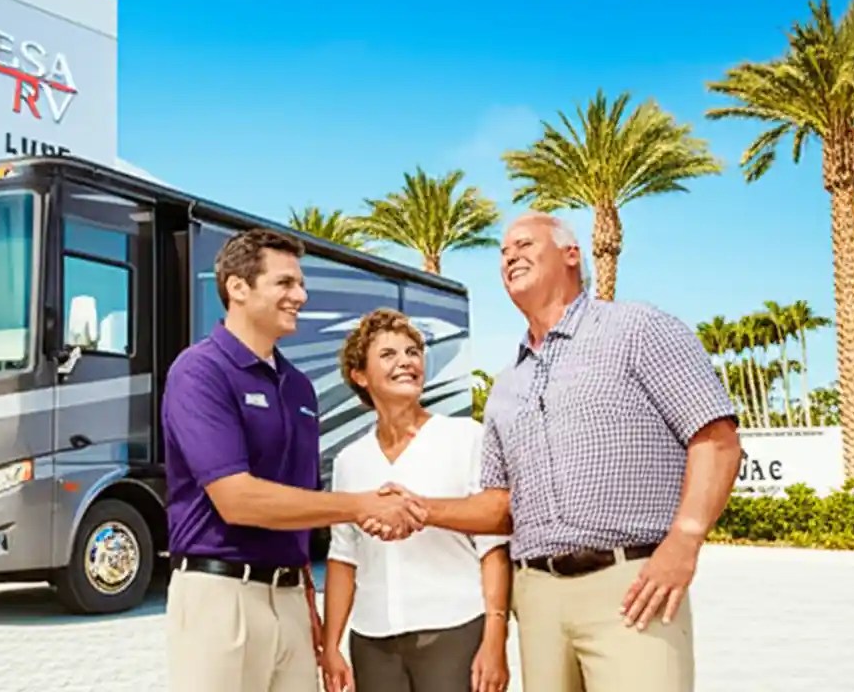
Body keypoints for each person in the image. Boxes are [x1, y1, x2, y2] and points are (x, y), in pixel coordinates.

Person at [381, 213, 743, 692]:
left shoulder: (637, 329)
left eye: (524, 244)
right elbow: (501, 505)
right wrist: (420, 509)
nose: (510, 256)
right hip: (537, 598)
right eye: (503, 253)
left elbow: (716, 437)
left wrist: (685, 540)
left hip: (631, 586)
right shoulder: (507, 386)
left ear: (571, 254)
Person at [161, 227, 428, 692]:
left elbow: (299, 507)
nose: (300, 296)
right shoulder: (199, 372)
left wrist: (313, 613)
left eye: (300, 284)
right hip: (219, 599)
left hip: (290, 599)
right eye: (285, 283)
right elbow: (237, 500)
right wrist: (361, 505)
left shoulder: (299, 387)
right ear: (238, 288)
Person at [319, 308, 511, 692]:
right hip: (372, 640)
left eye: (412, 352)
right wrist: (330, 645)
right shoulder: (349, 461)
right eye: (388, 355)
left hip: (454, 629)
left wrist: (495, 639)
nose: (406, 362)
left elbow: (493, 547)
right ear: (360, 375)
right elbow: (343, 557)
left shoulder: (465, 437)